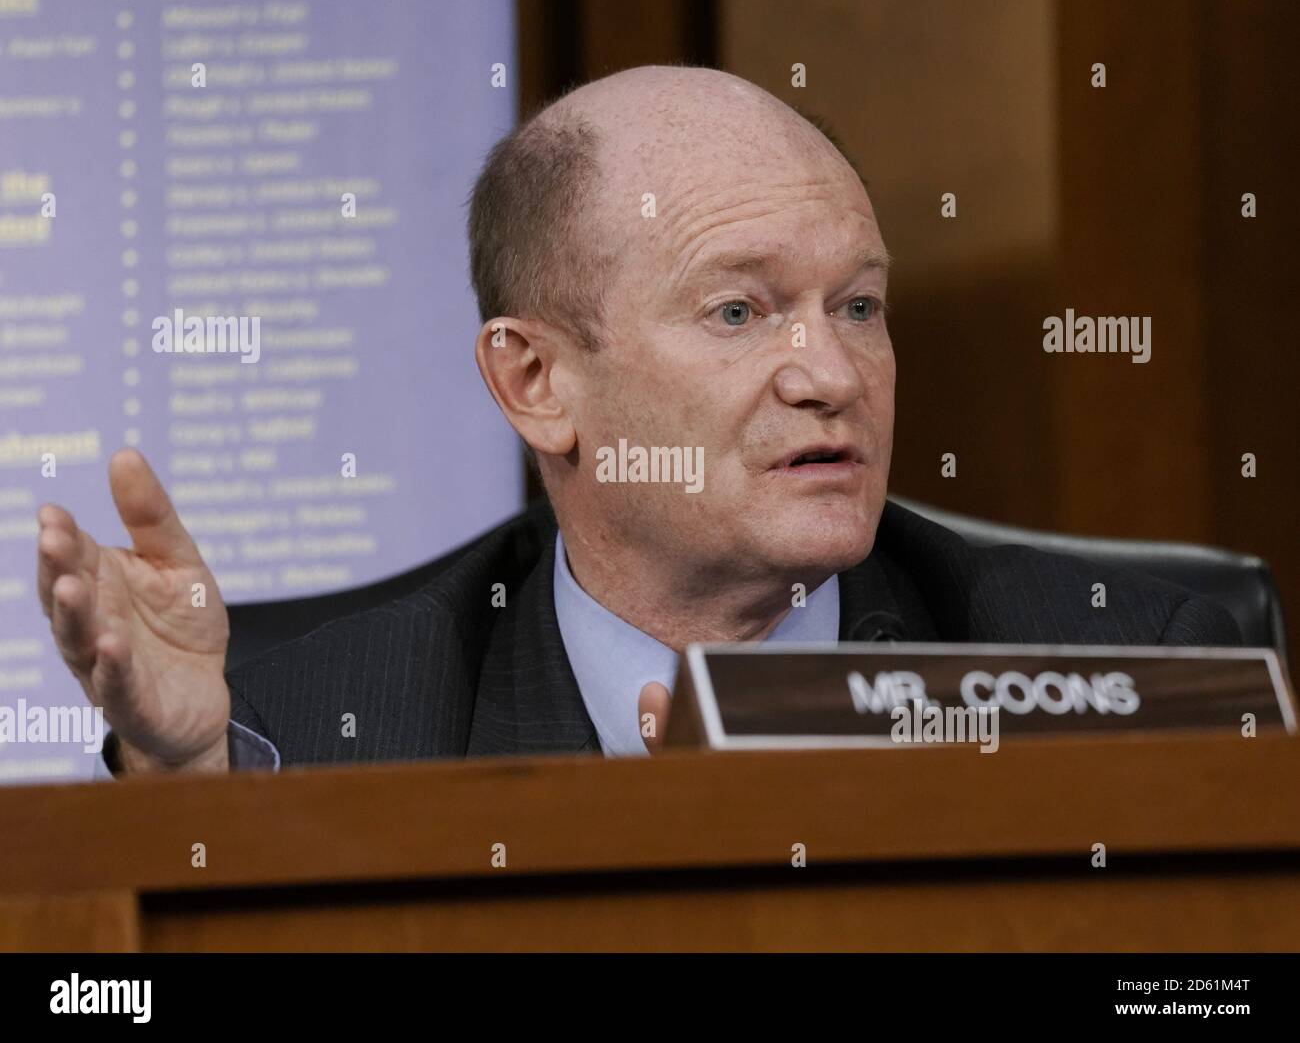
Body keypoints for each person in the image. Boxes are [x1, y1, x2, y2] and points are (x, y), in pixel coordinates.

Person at [34, 66, 1239, 776]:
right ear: (535, 383)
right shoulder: (313, 727)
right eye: (737, 310)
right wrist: (194, 799)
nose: (829, 371)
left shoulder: (1113, 671)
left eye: (858, 304)